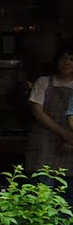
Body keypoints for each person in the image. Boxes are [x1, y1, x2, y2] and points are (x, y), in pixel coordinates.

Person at [26, 41, 73, 187]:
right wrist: (63, 133)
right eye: (63, 58)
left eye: (72, 59)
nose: (67, 62)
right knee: (42, 190)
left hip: (70, 145)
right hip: (44, 142)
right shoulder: (43, 82)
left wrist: (70, 140)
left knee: (67, 195)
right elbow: (37, 111)